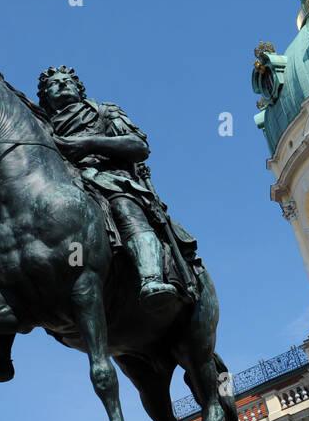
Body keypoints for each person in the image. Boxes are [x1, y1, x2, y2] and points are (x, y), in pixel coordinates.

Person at [37, 65, 199, 312]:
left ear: (79, 88)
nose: (62, 84)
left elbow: (139, 146)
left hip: (108, 177)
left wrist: (90, 143)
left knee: (123, 205)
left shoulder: (104, 112)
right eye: (54, 83)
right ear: (45, 95)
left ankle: (151, 277)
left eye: (67, 80)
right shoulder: (40, 125)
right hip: (64, 184)